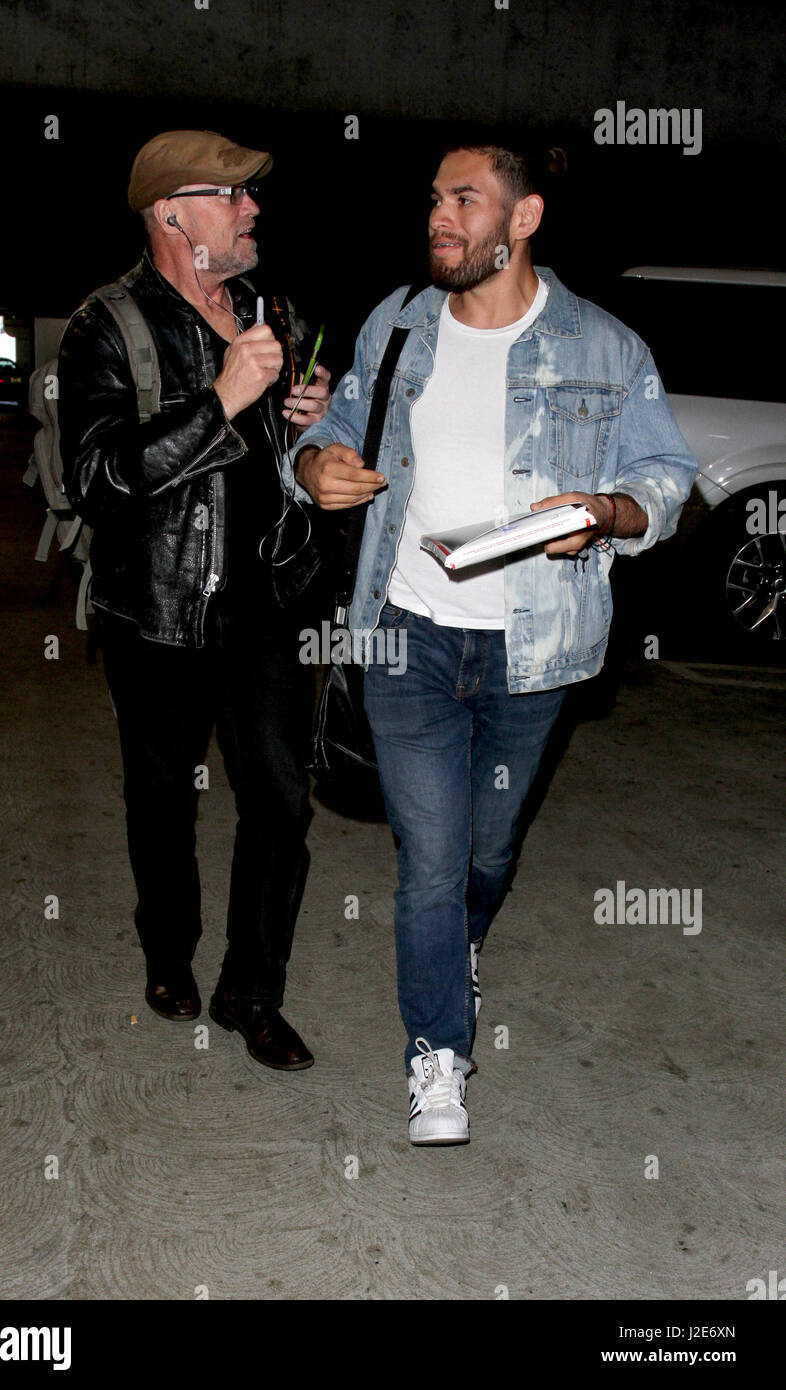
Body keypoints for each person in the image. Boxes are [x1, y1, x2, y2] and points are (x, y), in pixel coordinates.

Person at [292, 139, 697, 1140]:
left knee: (484, 849)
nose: (439, 217)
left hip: (535, 649)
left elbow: (664, 480)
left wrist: (606, 509)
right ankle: (438, 1051)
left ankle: (459, 939)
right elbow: (327, 430)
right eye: (432, 198)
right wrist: (314, 470)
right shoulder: (394, 324)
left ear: (522, 220)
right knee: (425, 858)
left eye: (463, 200)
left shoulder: (606, 347)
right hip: (407, 633)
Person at [58, 129, 331, 1070]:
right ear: (173, 212)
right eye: (234, 195)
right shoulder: (106, 325)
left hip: (265, 607)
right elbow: (100, 480)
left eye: (255, 197)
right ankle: (167, 951)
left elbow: (283, 448)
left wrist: (307, 412)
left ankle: (251, 991)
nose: (254, 211)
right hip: (158, 614)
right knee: (164, 798)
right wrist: (221, 396)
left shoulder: (271, 307)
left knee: (282, 801)